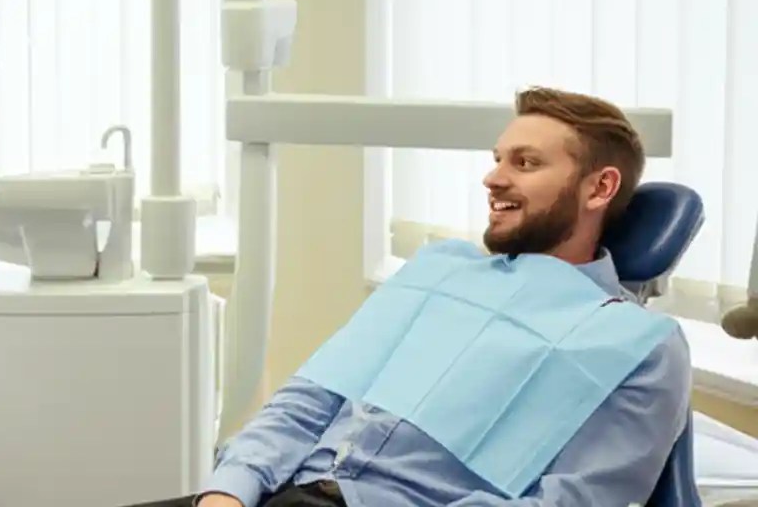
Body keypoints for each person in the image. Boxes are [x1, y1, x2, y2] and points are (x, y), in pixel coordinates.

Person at [130, 87, 695, 507]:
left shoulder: (636, 343)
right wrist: (228, 492)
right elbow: (307, 403)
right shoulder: (440, 271)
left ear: (600, 187)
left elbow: (575, 503)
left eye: (525, 163)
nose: (493, 178)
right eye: (497, 158)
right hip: (277, 493)